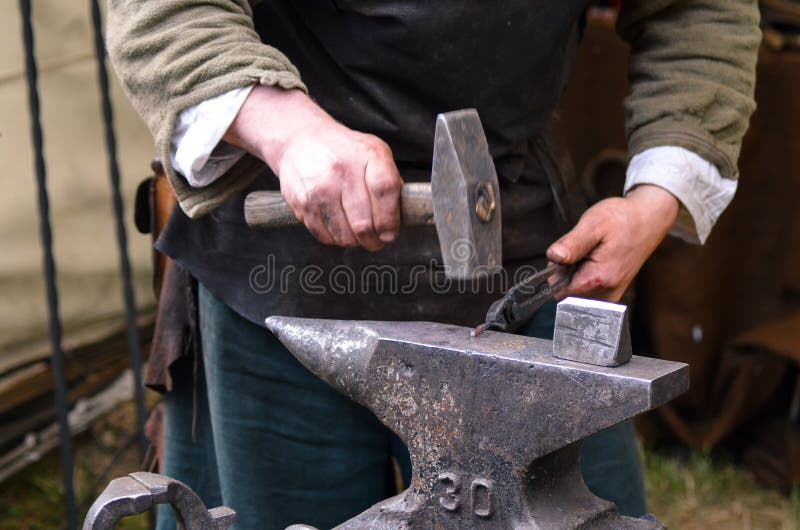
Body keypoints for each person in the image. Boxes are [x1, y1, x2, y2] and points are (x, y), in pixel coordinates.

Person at [106, 1, 760, 528]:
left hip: (524, 261)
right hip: (274, 277)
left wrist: (655, 198)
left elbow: (699, 13)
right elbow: (168, 13)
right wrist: (287, 129)